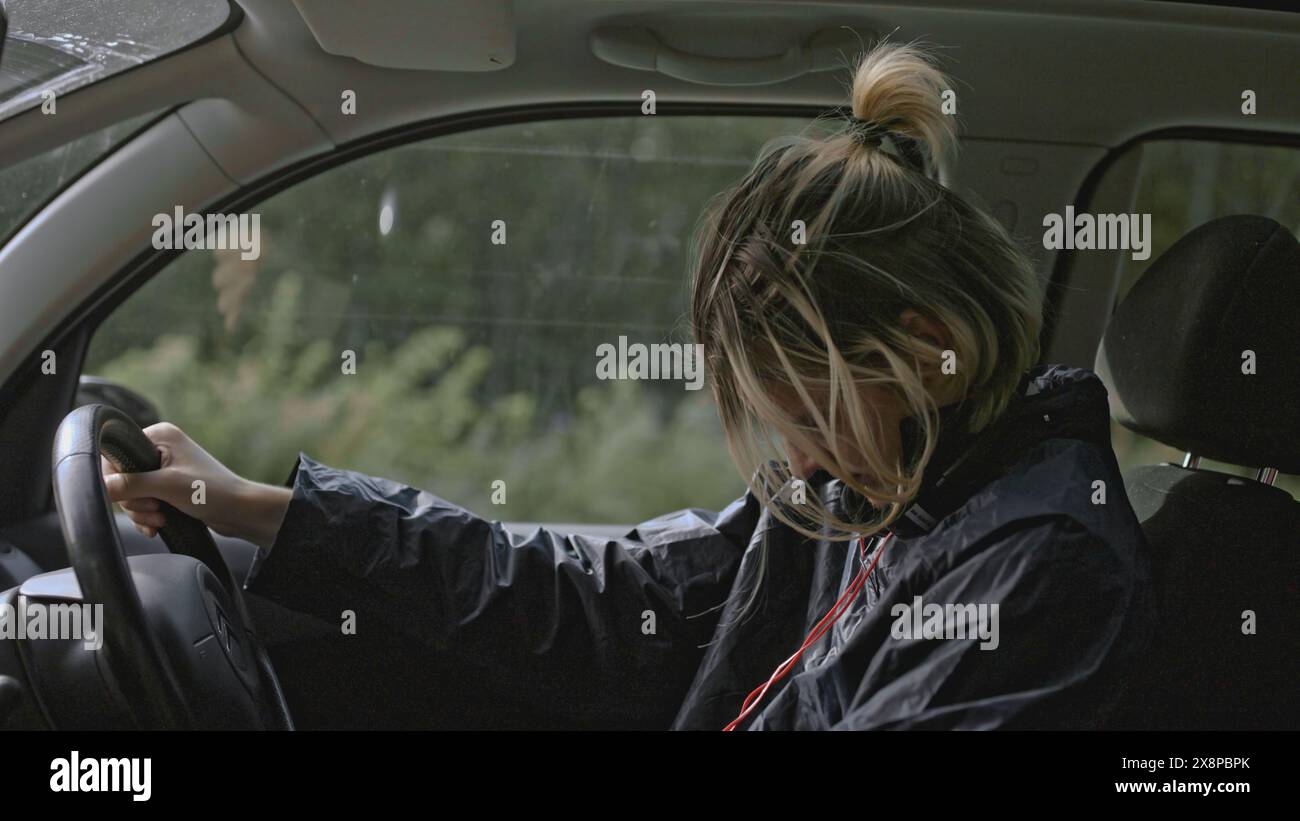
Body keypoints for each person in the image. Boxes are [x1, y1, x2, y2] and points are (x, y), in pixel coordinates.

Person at [102, 42, 1153, 730]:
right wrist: (275, 512)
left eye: (802, 410)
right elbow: (604, 596)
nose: (795, 456)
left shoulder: (1038, 572)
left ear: (927, 349)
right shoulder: (870, 499)